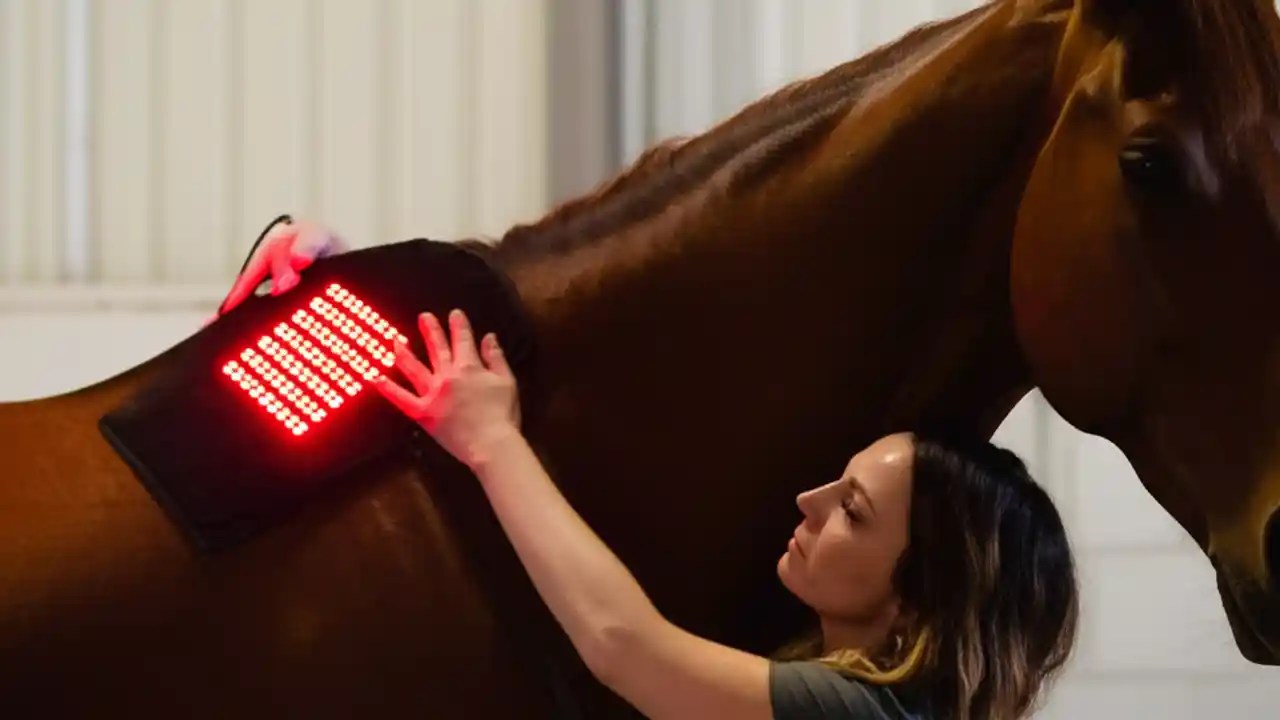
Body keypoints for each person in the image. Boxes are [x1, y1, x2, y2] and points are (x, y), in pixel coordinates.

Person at [222, 220, 1080, 720]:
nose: (809, 503)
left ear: (920, 597)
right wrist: (356, 287)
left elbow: (622, 643)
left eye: (853, 511)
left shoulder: (869, 714)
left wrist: (492, 441)